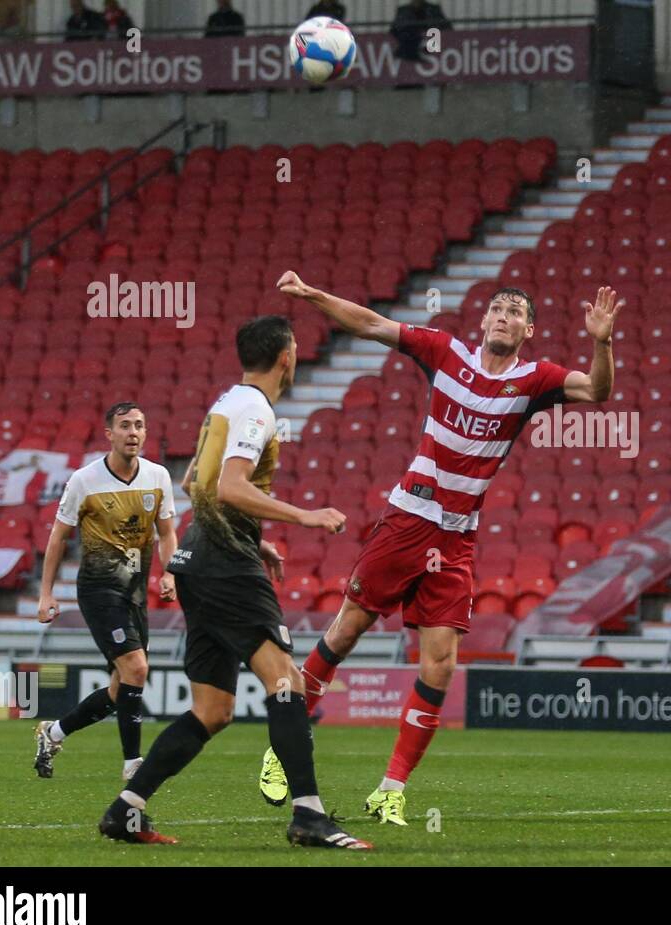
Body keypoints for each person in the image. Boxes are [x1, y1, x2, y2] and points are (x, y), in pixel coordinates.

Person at [258, 275, 620, 826]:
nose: (503, 315)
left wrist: (601, 342)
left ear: (529, 329)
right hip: (408, 518)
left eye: (515, 311)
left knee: (442, 663)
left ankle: (391, 790)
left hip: (456, 537)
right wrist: (313, 297)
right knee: (347, 629)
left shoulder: (534, 379)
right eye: (497, 308)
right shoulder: (444, 350)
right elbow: (372, 323)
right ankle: (284, 743)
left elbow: (598, 391)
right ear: (483, 322)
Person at [97, 316, 369, 850]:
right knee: (286, 679)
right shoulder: (256, 410)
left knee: (213, 710)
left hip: (202, 556)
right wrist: (305, 516)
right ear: (287, 356)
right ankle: (309, 816)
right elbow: (229, 485)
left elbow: (193, 480)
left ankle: (124, 810)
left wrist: (254, 536)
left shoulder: (227, 401)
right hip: (224, 564)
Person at [33, 403, 177, 782]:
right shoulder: (84, 480)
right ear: (109, 434)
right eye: (125, 425)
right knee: (137, 667)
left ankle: (53, 733)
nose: (133, 432)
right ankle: (133, 764)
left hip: (133, 593)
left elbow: (166, 532)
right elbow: (58, 538)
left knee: (122, 687)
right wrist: (47, 594)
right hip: (98, 590)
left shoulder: (158, 477)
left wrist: (169, 573)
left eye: (140, 425)